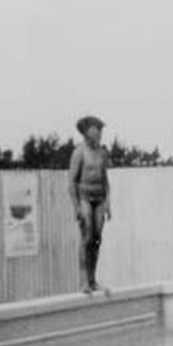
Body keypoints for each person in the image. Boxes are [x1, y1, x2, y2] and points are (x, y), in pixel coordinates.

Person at [69, 115, 112, 295]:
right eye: (97, 130)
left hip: (99, 198)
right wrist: (76, 207)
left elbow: (105, 180)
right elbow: (72, 181)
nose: (100, 133)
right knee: (87, 237)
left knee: (96, 239)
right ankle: (84, 281)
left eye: (101, 130)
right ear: (88, 132)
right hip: (85, 197)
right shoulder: (79, 152)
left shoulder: (102, 152)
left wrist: (108, 203)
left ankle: (93, 280)